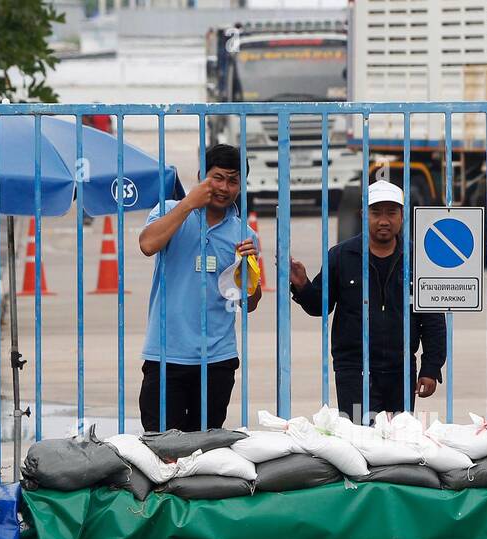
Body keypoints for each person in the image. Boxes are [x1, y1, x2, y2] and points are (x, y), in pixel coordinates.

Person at [288, 180, 447, 422]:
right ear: (364, 215)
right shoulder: (340, 256)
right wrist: (302, 285)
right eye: (376, 213)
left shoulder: (418, 259)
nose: (384, 221)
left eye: (391, 213)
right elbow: (319, 306)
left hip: (401, 369)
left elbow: (432, 319)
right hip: (353, 370)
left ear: (402, 216)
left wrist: (431, 368)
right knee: (361, 438)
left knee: (399, 440)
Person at [137, 143, 261, 431]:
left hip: (218, 359)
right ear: (200, 177)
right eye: (217, 177)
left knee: (204, 452)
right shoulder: (170, 211)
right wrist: (188, 204)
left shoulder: (244, 233)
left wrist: (248, 271)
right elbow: (147, 244)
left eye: (233, 180)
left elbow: (249, 302)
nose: (224, 187)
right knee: (162, 449)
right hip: (166, 356)